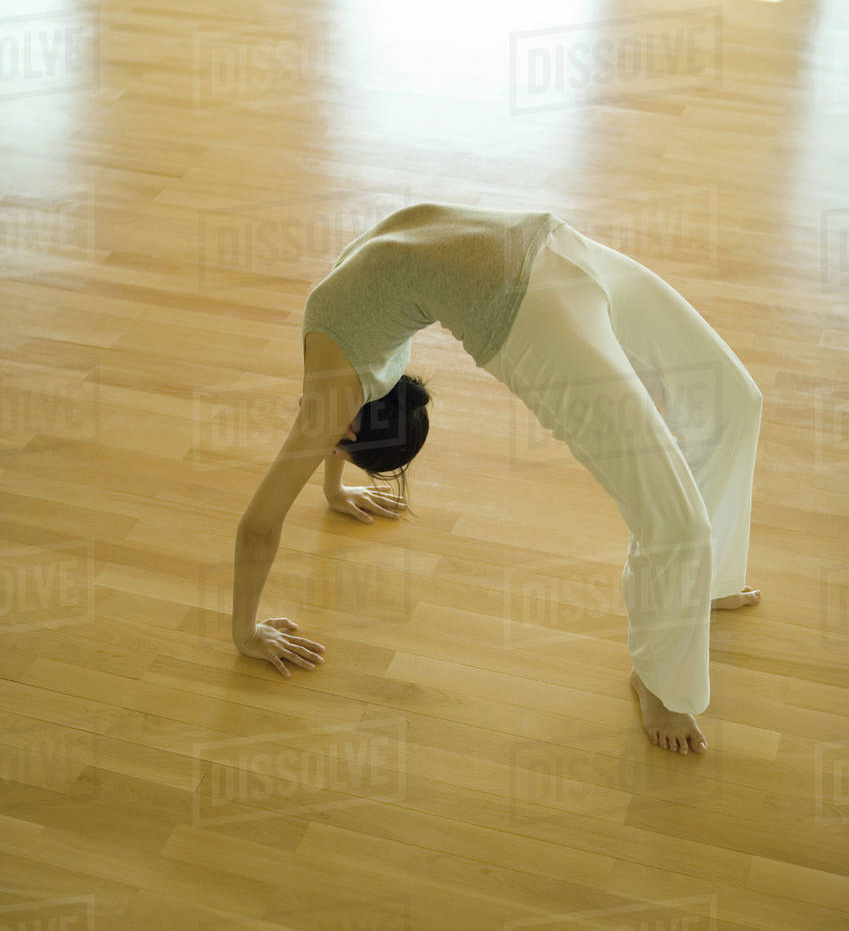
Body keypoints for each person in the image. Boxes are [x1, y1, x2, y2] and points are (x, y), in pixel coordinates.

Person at [232, 202, 763, 758]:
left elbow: (258, 526)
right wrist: (333, 488)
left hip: (543, 275)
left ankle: (704, 586)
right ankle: (661, 680)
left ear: (343, 426)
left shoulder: (335, 394)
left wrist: (246, 633)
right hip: (538, 249)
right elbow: (331, 414)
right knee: (685, 502)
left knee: (724, 423)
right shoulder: (335, 313)